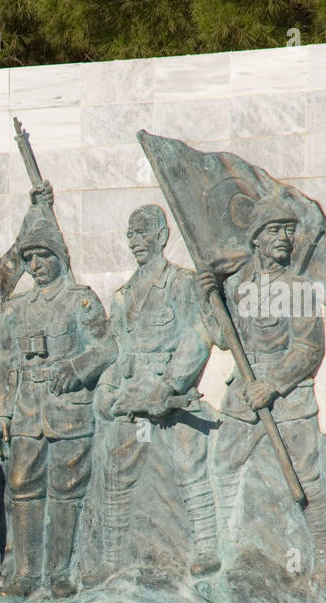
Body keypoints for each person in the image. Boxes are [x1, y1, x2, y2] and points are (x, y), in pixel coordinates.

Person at [199, 197, 326, 577]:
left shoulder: (297, 288)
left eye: (289, 230)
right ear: (256, 238)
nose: (284, 238)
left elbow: (308, 348)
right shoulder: (237, 286)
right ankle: (225, 547)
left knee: (306, 476)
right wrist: (207, 298)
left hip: (288, 397)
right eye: (274, 230)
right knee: (223, 465)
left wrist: (272, 384)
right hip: (243, 395)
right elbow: (224, 339)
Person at [94, 205, 218, 578]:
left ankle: (207, 548)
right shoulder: (123, 295)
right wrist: (108, 388)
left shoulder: (182, 283)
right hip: (133, 401)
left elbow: (198, 337)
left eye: (142, 232)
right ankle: (111, 557)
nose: (134, 240)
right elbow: (117, 350)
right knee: (117, 473)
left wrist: (168, 385)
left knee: (189, 468)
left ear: (162, 236)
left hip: (174, 403)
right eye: (130, 234)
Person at [0, 212, 112, 598]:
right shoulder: (15, 308)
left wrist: (77, 368)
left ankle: (60, 572)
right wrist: (2, 411)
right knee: (22, 486)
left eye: (43, 256)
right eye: (29, 258)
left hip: (69, 410)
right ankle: (27, 573)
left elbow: (106, 347)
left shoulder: (80, 300)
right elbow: (5, 363)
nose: (35, 264)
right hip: (27, 411)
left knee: (67, 487)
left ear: (59, 256)